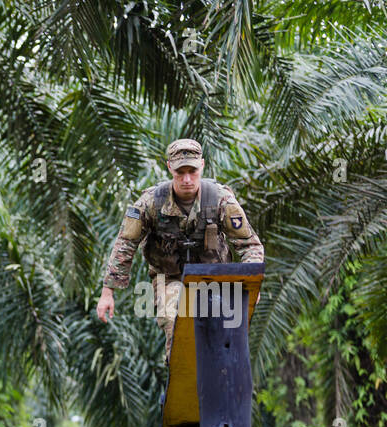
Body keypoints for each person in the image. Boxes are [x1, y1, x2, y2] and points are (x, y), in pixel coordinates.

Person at [96, 138, 264, 361]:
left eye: (192, 171)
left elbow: (250, 245)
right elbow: (126, 242)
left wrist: (252, 282)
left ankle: (221, 380)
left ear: (202, 165)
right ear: (169, 168)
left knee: (223, 328)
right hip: (170, 279)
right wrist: (108, 291)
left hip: (216, 279)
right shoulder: (151, 202)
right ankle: (180, 375)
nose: (187, 179)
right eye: (180, 172)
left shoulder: (220, 199)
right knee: (176, 316)